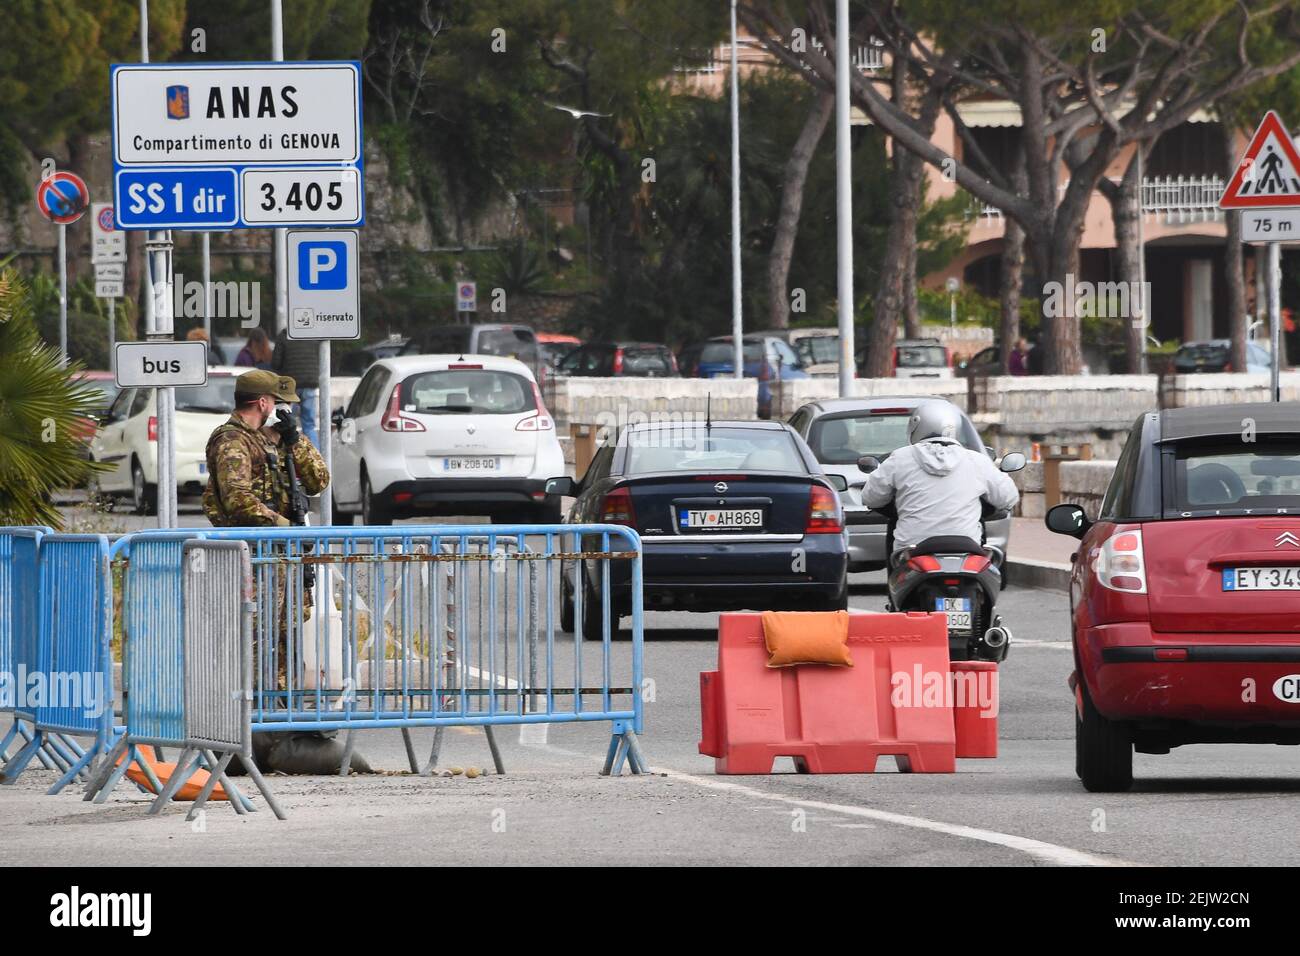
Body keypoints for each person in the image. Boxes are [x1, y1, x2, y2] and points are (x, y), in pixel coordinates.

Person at [202, 370, 368, 773]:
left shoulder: (273, 440)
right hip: (254, 558)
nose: (280, 410)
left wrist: (296, 440)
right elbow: (237, 498)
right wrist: (286, 529)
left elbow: (319, 480)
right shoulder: (232, 441)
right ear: (261, 403)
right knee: (255, 642)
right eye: (277, 403)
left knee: (284, 636)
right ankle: (252, 730)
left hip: (281, 559)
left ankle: (278, 725)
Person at [863, 401, 1019, 556]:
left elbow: (871, 498)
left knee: (898, 575)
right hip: (967, 546)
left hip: (912, 549)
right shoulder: (977, 460)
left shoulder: (900, 458)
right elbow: (1008, 497)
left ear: (917, 425)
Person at [271, 329, 321, 448]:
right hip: (310, 383)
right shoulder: (313, 335)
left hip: (289, 385)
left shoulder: (283, 336)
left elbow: (276, 363)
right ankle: (315, 455)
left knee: (286, 422)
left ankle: (288, 453)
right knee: (309, 424)